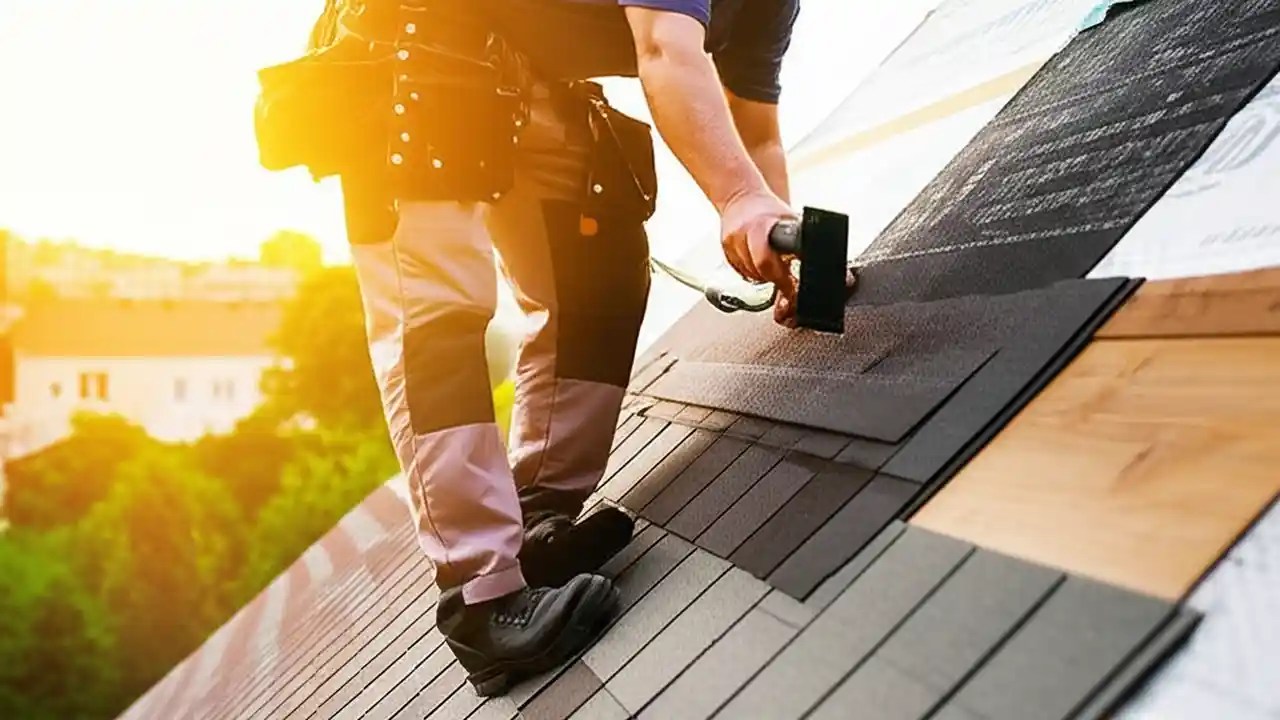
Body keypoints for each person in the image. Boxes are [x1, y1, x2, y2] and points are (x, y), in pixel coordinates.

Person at [262, 0, 800, 696]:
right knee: (439, 311)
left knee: (595, 248)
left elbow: (754, 131)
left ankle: (536, 515)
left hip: (515, 58)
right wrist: (734, 199)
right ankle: (480, 598)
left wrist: (786, 245)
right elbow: (666, 51)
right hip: (407, 29)